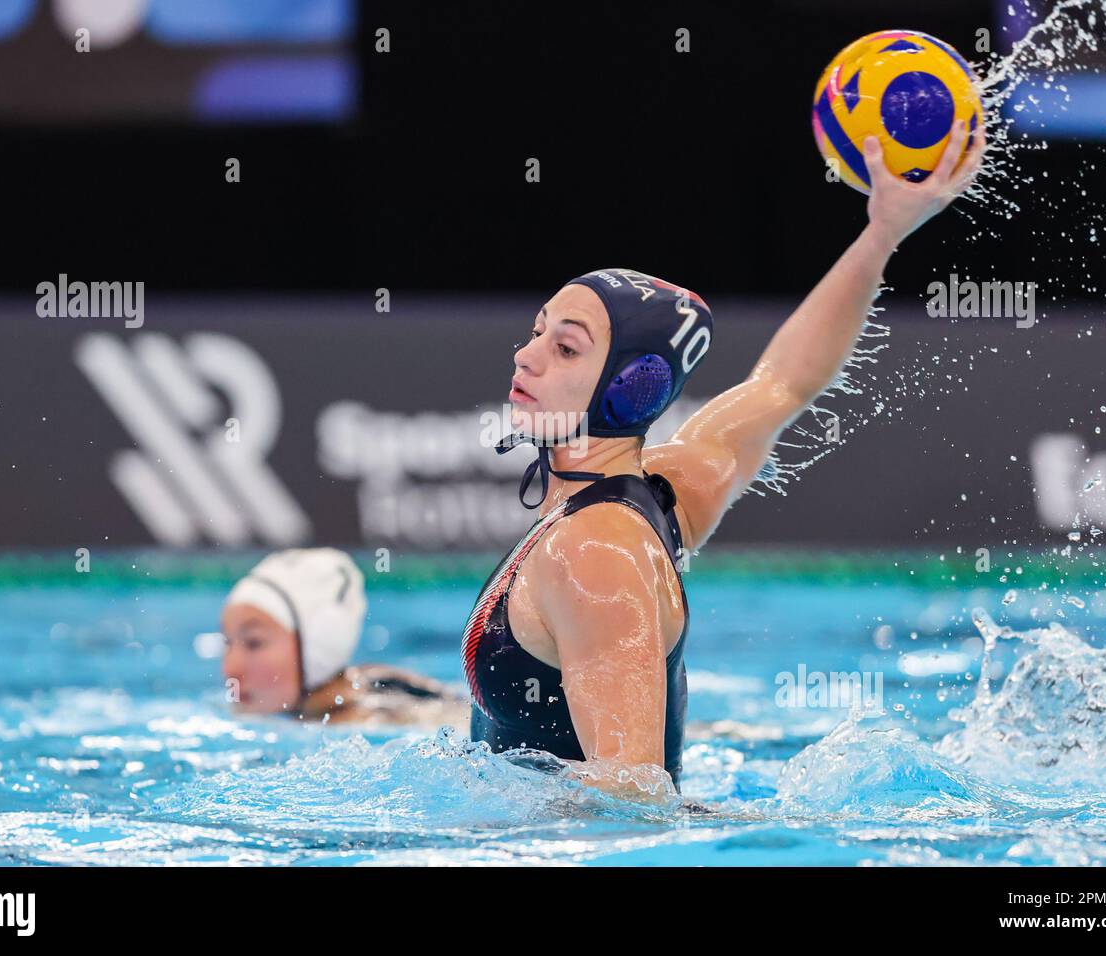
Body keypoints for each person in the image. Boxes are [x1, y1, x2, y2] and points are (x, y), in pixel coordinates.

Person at [462, 123, 984, 799]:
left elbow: (631, 802)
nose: (524, 356)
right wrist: (882, 232)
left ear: (631, 384)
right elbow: (783, 384)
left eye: (565, 349)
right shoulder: (664, 491)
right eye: (536, 333)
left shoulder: (596, 552)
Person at [222, 548, 468, 727]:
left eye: (254, 643)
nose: (230, 668)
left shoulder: (376, 722)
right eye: (227, 642)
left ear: (318, 647)